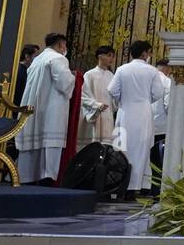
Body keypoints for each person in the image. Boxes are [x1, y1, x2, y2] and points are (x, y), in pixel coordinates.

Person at [108, 40, 167, 198]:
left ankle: (119, 186)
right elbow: (158, 93)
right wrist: (145, 99)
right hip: (143, 114)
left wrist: (123, 99)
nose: (149, 55)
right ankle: (137, 187)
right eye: (148, 52)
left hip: (124, 112)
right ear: (144, 53)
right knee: (142, 150)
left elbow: (112, 90)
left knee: (121, 148)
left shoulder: (122, 69)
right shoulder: (152, 71)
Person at [15, 33, 75, 184]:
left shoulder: (37, 60)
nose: (65, 49)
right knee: (49, 144)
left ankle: (27, 177)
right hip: (50, 110)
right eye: (65, 45)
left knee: (34, 143)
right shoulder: (59, 58)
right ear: (61, 45)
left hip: (34, 108)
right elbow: (65, 83)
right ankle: (47, 178)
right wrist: (74, 77)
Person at [78, 45, 116, 146]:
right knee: (92, 144)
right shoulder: (89, 75)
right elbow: (83, 95)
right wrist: (96, 105)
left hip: (107, 114)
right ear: (100, 56)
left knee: (106, 145)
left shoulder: (112, 76)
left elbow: (114, 97)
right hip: (94, 113)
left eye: (112, 56)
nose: (111, 59)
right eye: (109, 55)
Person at [150, 59, 173, 196]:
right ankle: (156, 190)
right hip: (161, 126)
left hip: (144, 123)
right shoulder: (167, 82)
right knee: (157, 161)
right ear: (169, 68)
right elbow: (168, 105)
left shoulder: (148, 78)